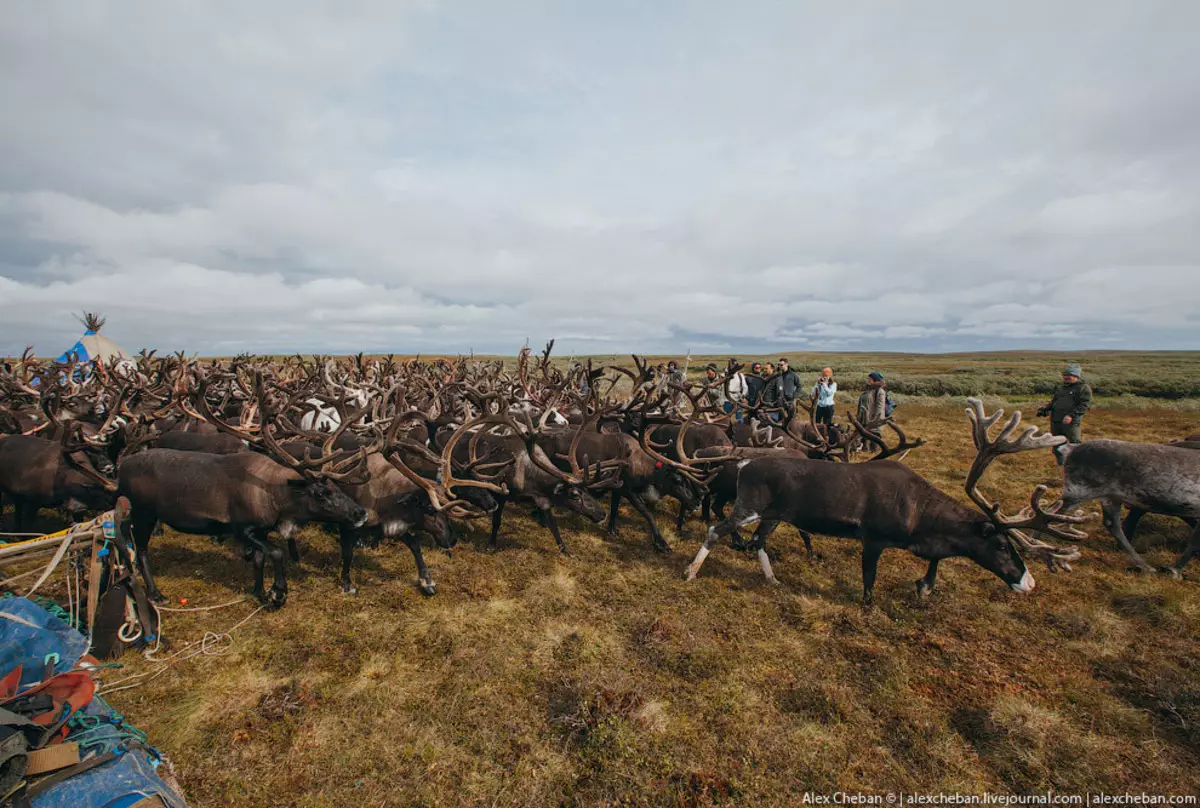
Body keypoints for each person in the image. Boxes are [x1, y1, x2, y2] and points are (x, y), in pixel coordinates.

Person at [1037, 363, 1093, 463]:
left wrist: (1071, 415)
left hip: (1071, 422)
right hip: (1056, 420)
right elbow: (1054, 401)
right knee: (1057, 445)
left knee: (1074, 445)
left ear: (1076, 376)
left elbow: (1084, 405)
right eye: (1065, 375)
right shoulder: (1061, 388)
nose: (1066, 377)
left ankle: (1079, 466)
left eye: (1069, 375)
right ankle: (1061, 465)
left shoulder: (1083, 388)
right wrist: (1046, 409)